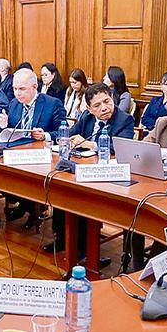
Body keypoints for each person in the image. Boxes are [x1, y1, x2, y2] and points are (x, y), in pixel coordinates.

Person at [45, 83, 134, 258]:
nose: (104, 108)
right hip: (81, 169)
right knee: (61, 189)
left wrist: (90, 144)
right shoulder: (87, 117)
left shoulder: (124, 120)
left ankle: (86, 249)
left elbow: (121, 146)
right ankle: (63, 238)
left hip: (108, 177)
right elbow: (70, 133)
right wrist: (68, 139)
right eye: (97, 105)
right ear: (89, 108)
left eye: (107, 101)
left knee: (83, 197)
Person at [0, 68, 67, 227]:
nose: (17, 93)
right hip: (17, 154)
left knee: (28, 180)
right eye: (15, 89)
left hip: (41, 158)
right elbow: (11, 129)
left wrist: (46, 135)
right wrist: (3, 124)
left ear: (35, 87)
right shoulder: (14, 103)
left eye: (21, 89)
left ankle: (32, 207)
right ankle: (29, 206)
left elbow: (64, 132)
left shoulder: (52, 104)